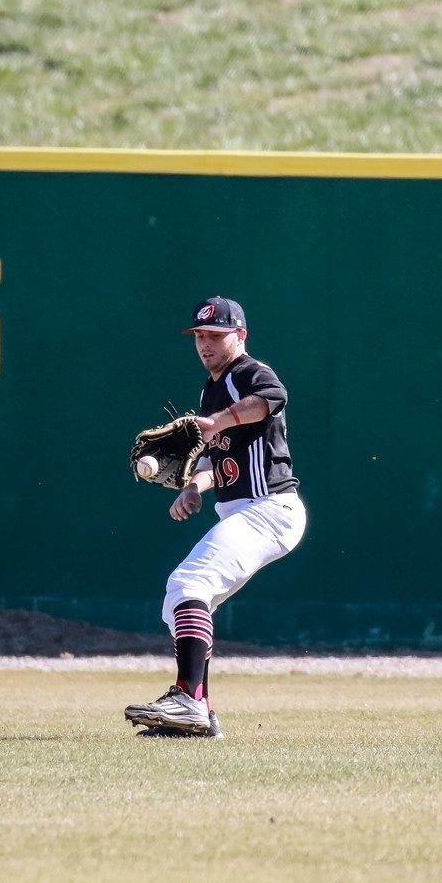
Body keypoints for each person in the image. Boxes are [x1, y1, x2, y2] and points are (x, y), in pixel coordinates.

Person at [124, 296, 306, 739]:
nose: (205, 343)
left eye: (215, 335)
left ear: (239, 336)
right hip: (242, 510)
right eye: (199, 336)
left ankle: (188, 699)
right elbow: (215, 457)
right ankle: (198, 715)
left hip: (271, 508)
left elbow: (271, 399)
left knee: (190, 584)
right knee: (179, 603)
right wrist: (193, 487)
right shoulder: (211, 388)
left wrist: (217, 421)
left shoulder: (249, 373)